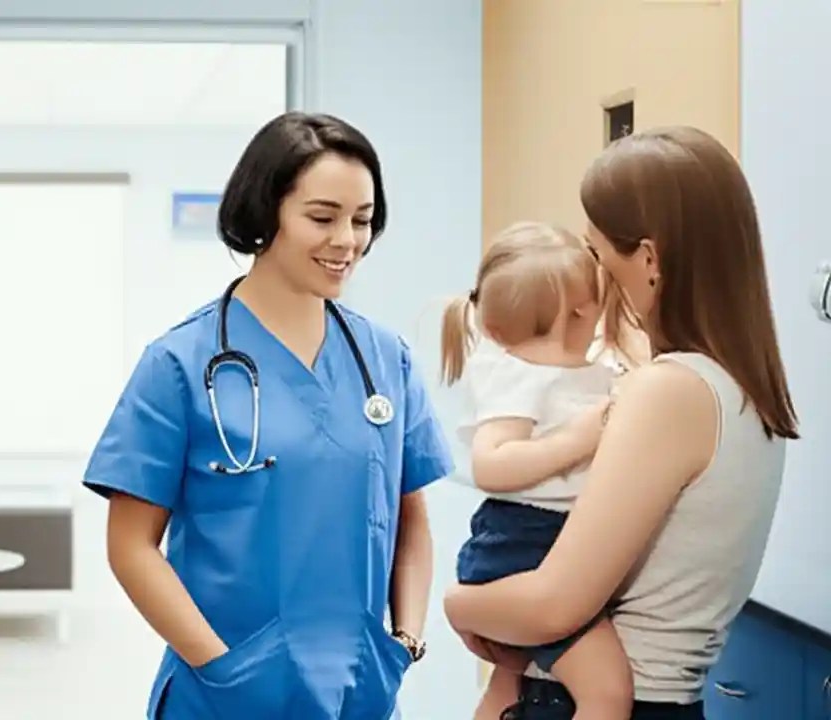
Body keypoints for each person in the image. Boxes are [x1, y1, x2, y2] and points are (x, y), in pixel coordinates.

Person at [82, 111, 453, 719]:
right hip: (226, 694)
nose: (347, 241)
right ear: (265, 214)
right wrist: (222, 666)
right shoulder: (180, 362)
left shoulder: (385, 359)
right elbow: (129, 545)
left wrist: (405, 641)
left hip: (359, 693)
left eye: (362, 220)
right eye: (322, 217)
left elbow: (412, 518)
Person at [443, 125, 800, 720]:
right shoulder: (741, 389)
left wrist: (460, 604)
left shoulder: (669, 392)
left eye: (598, 253)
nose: (594, 277)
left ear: (650, 260)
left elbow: (552, 607)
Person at [439, 222, 632, 720]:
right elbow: (491, 464)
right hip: (523, 542)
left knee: (509, 685)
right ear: (579, 311)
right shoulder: (517, 374)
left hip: (556, 539)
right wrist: (574, 442)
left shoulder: (578, 363)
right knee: (607, 692)